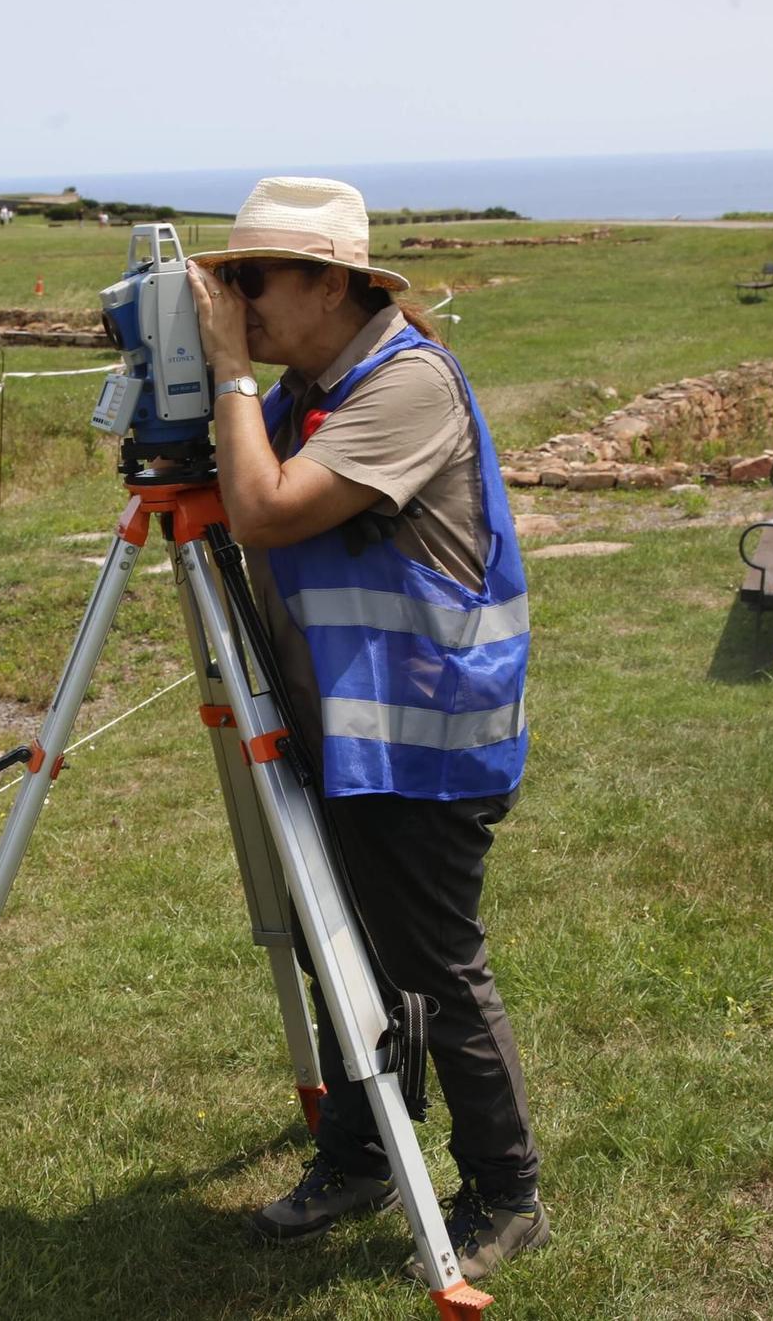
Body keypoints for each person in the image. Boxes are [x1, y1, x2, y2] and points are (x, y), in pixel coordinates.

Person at [183, 177, 546, 1285]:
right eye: (226, 282)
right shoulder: (308, 389)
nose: (236, 302)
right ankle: (358, 1153)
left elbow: (261, 510)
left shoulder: (407, 386)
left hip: (421, 737)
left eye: (252, 280)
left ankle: (506, 1191)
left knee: (430, 963)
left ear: (330, 282)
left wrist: (227, 374)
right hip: (343, 732)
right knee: (343, 950)